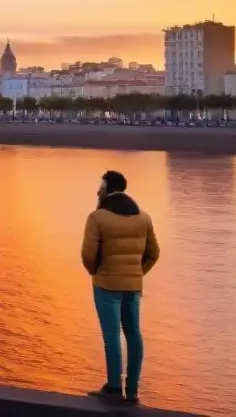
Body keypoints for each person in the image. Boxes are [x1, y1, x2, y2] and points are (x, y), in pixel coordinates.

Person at [81, 170, 160, 405]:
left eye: (100, 185)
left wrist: (96, 271)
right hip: (133, 286)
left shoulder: (97, 217)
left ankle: (114, 388)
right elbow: (153, 253)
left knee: (112, 335)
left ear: (108, 188)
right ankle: (133, 390)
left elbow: (87, 254)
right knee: (134, 334)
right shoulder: (143, 217)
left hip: (106, 284)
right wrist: (136, 273)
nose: (97, 190)